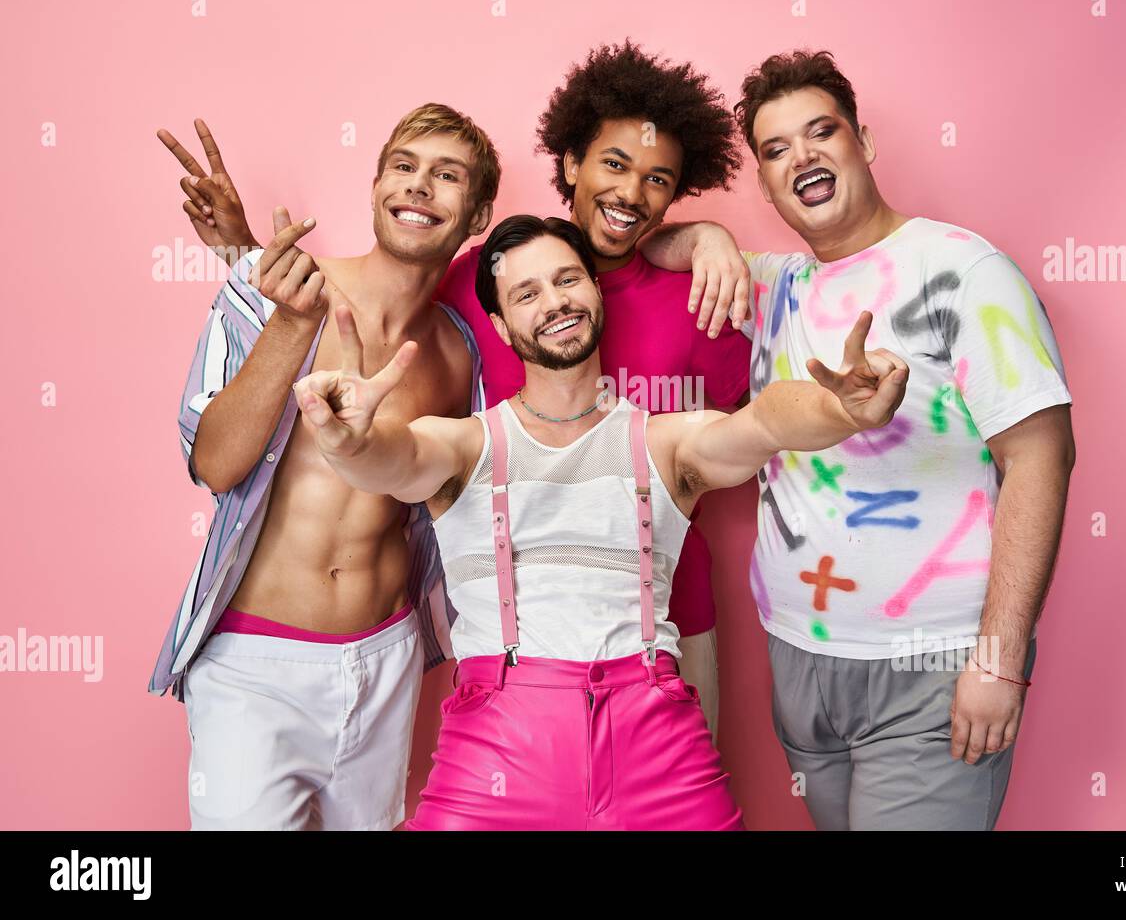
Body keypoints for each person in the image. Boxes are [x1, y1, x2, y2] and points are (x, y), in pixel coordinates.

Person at [291, 215, 910, 830]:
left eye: (568, 280)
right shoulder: (461, 446)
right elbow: (391, 459)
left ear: (594, 289)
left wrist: (838, 408)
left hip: (657, 748)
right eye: (527, 294)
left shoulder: (666, 443)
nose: (555, 302)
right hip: (496, 754)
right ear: (503, 326)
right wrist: (348, 443)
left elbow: (765, 423)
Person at [641, 50, 1076, 830]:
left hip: (930, 669)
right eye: (775, 151)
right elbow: (642, 244)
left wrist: (1000, 662)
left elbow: (1042, 457)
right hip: (801, 666)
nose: (801, 157)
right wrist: (706, 236)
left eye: (821, 132)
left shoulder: (963, 271)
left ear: (863, 142)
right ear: (768, 183)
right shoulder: (774, 285)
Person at [150, 106, 499, 830]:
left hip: (387, 660)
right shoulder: (276, 292)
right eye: (403, 166)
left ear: (479, 214)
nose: (419, 186)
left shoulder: (461, 350)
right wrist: (291, 326)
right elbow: (215, 465)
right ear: (374, 187)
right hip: (255, 663)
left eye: (447, 176)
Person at [434, 41, 752, 739]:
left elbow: (747, 442)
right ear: (571, 162)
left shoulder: (700, 297)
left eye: (659, 179)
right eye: (614, 163)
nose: (633, 194)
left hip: (667, 617)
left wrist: (707, 237)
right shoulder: (480, 281)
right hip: (518, 629)